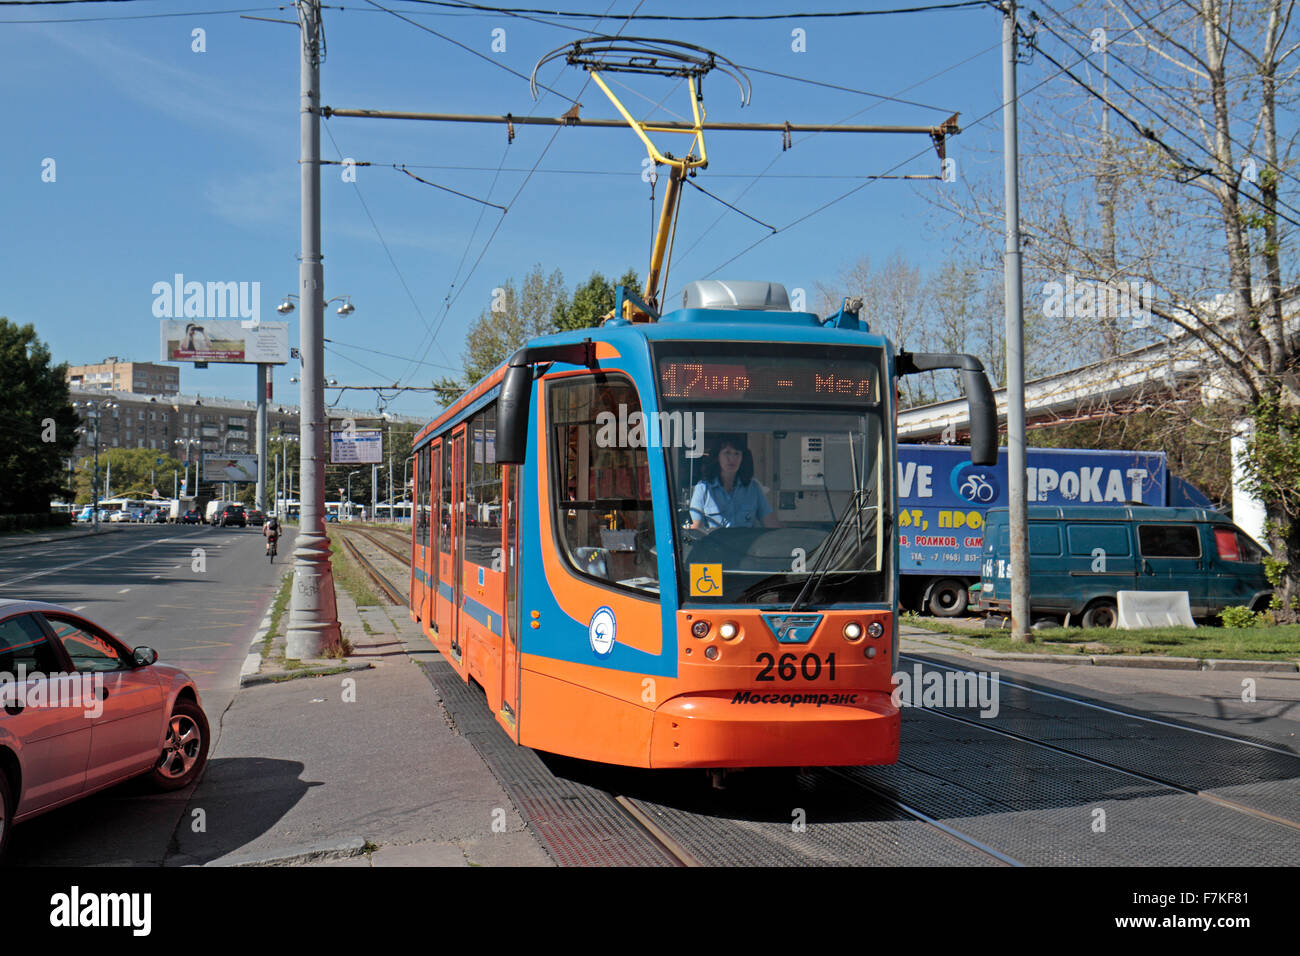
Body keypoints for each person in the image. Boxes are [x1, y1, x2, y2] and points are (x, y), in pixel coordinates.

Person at [689, 434, 780, 530]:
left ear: (742, 458)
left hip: (745, 544)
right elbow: (697, 528)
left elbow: (771, 523)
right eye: (727, 453)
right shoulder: (703, 489)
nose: (732, 459)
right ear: (717, 456)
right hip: (714, 544)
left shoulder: (753, 488)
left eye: (737, 453)